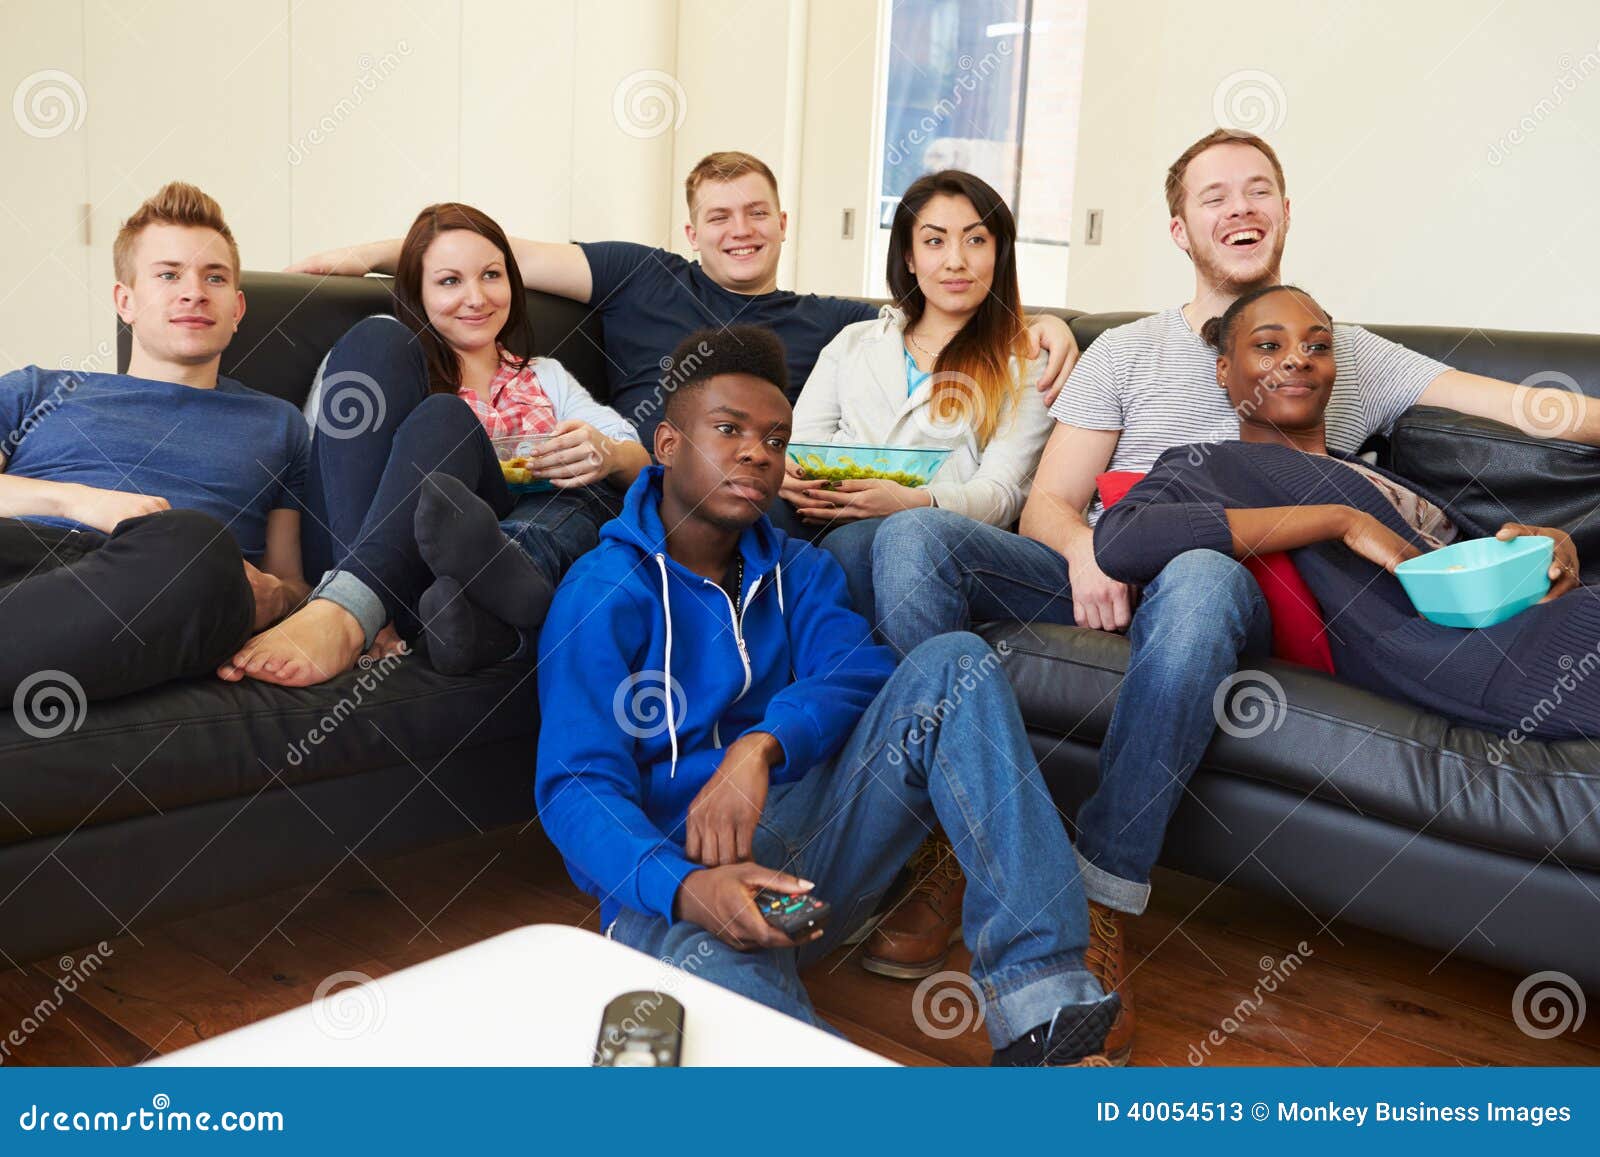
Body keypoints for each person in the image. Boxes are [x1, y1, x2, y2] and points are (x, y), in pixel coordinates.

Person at [862, 123, 1600, 1058]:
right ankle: (939, 841)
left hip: (1244, 582)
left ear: (1285, 212)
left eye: (1257, 190)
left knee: (1202, 576)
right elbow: (1049, 502)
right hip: (1106, 561)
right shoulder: (1126, 351)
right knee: (913, 537)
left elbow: (1530, 407)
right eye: (1214, 196)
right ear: (1180, 229)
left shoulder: (1345, 351)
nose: (1239, 208)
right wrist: (1087, 555)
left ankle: (1100, 893)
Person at [533, 326, 1120, 1066]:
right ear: (668, 445)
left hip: (804, 862)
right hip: (678, 891)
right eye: (729, 430)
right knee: (718, 1004)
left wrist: (761, 745)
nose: (757, 452)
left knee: (954, 663)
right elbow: (575, 788)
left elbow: (862, 672)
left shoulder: (799, 571)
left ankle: (1043, 1012)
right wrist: (688, 888)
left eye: (775, 439)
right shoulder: (600, 592)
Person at [287, 151, 1081, 447]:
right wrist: (372, 255)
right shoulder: (640, 273)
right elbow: (495, 253)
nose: (741, 231)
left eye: (757, 213)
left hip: (744, 486)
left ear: (783, 225)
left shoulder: (830, 321)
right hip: (632, 479)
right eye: (720, 217)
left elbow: (943, 295)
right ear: (693, 231)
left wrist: (1044, 322)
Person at [1097, 283, 1592, 738]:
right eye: (1269, 345)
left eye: (1318, 346)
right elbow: (1123, 538)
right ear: (1224, 370)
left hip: (1530, 618)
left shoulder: (1361, 468)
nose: (1298, 359)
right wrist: (1342, 521)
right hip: (1466, 657)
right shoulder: (1218, 465)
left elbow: (1461, 565)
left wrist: (1541, 556)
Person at [285, 202, 649, 679]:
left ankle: (459, 615)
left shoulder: (546, 375)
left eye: (491, 275)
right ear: (417, 291)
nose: (475, 298)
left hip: (459, 576)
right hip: (351, 549)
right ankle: (360, 601)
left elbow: (640, 463)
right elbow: (328, 464)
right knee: (439, 409)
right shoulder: (386, 358)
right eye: (449, 281)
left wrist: (607, 454)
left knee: (595, 487)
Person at [0, 182, 308, 701]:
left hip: (162, 582)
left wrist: (277, 598)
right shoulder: (35, 389)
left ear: (237, 309)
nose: (194, 292)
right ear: (126, 301)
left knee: (195, 545)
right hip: (22, 554)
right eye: (168, 274)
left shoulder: (280, 424)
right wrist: (81, 501)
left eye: (214, 277)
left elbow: (290, 582)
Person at [781, 169, 1052, 623]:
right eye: (934, 241)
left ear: (999, 254)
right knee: (756, 511)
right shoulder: (854, 342)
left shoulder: (1025, 361)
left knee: (860, 543)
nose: (955, 261)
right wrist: (785, 477)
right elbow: (799, 446)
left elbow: (1002, 495)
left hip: (941, 538)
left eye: (975, 240)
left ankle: (869, 668)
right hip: (826, 514)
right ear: (908, 257)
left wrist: (912, 501)